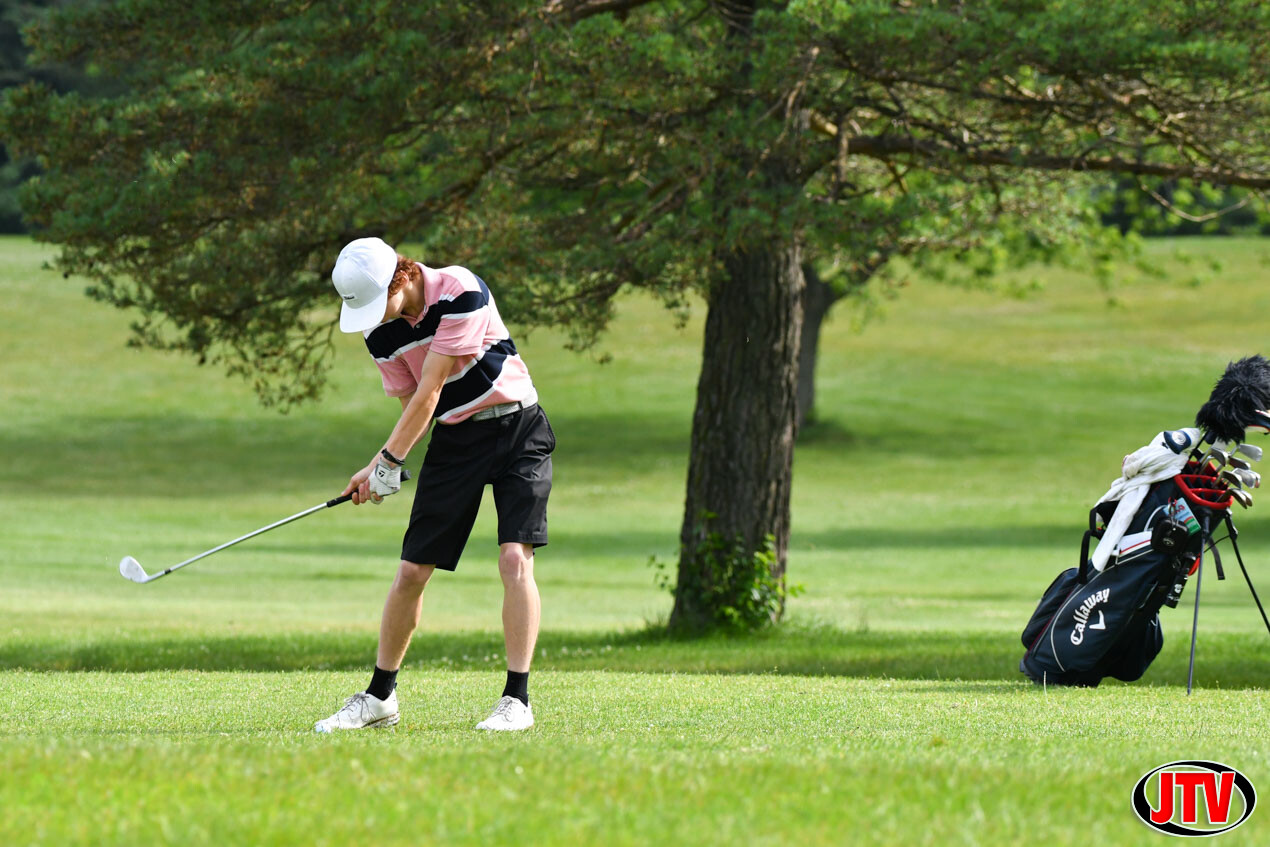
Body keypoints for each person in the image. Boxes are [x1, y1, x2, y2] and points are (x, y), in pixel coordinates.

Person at [314, 236, 554, 733]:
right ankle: (380, 698)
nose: (374, 317)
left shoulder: (460, 289)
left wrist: (386, 459)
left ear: (402, 278)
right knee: (410, 573)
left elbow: (431, 390)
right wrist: (386, 469)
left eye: (379, 303)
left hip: (517, 429)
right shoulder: (379, 332)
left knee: (514, 557)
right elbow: (413, 410)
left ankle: (517, 701)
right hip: (454, 441)